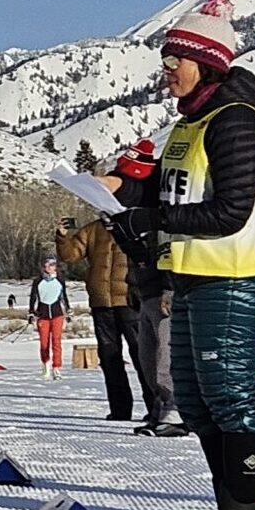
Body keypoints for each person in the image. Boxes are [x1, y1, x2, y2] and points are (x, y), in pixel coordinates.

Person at [108, 0, 255, 510]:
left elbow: (230, 210)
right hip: (190, 278)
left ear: (205, 62)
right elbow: (167, 192)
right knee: (199, 403)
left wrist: (150, 218)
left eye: (172, 62)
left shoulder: (236, 123)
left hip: (233, 277)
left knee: (230, 399)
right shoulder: (191, 124)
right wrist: (121, 192)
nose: (164, 74)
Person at [100, 139, 183, 435]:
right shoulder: (137, 212)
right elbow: (141, 256)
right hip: (145, 287)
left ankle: (175, 410)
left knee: (166, 355)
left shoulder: (166, 207)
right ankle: (158, 407)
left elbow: (177, 246)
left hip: (168, 286)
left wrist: (171, 286)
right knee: (147, 356)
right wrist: (119, 232)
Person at [27, 257, 71, 380]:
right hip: (43, 315)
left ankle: (57, 368)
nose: (50, 267)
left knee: (56, 342)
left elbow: (64, 297)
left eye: (52, 265)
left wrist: (68, 311)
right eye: (48, 265)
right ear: (44, 267)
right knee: (44, 344)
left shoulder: (60, 280)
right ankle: (46, 366)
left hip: (57, 315)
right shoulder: (38, 281)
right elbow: (33, 298)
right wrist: (31, 313)